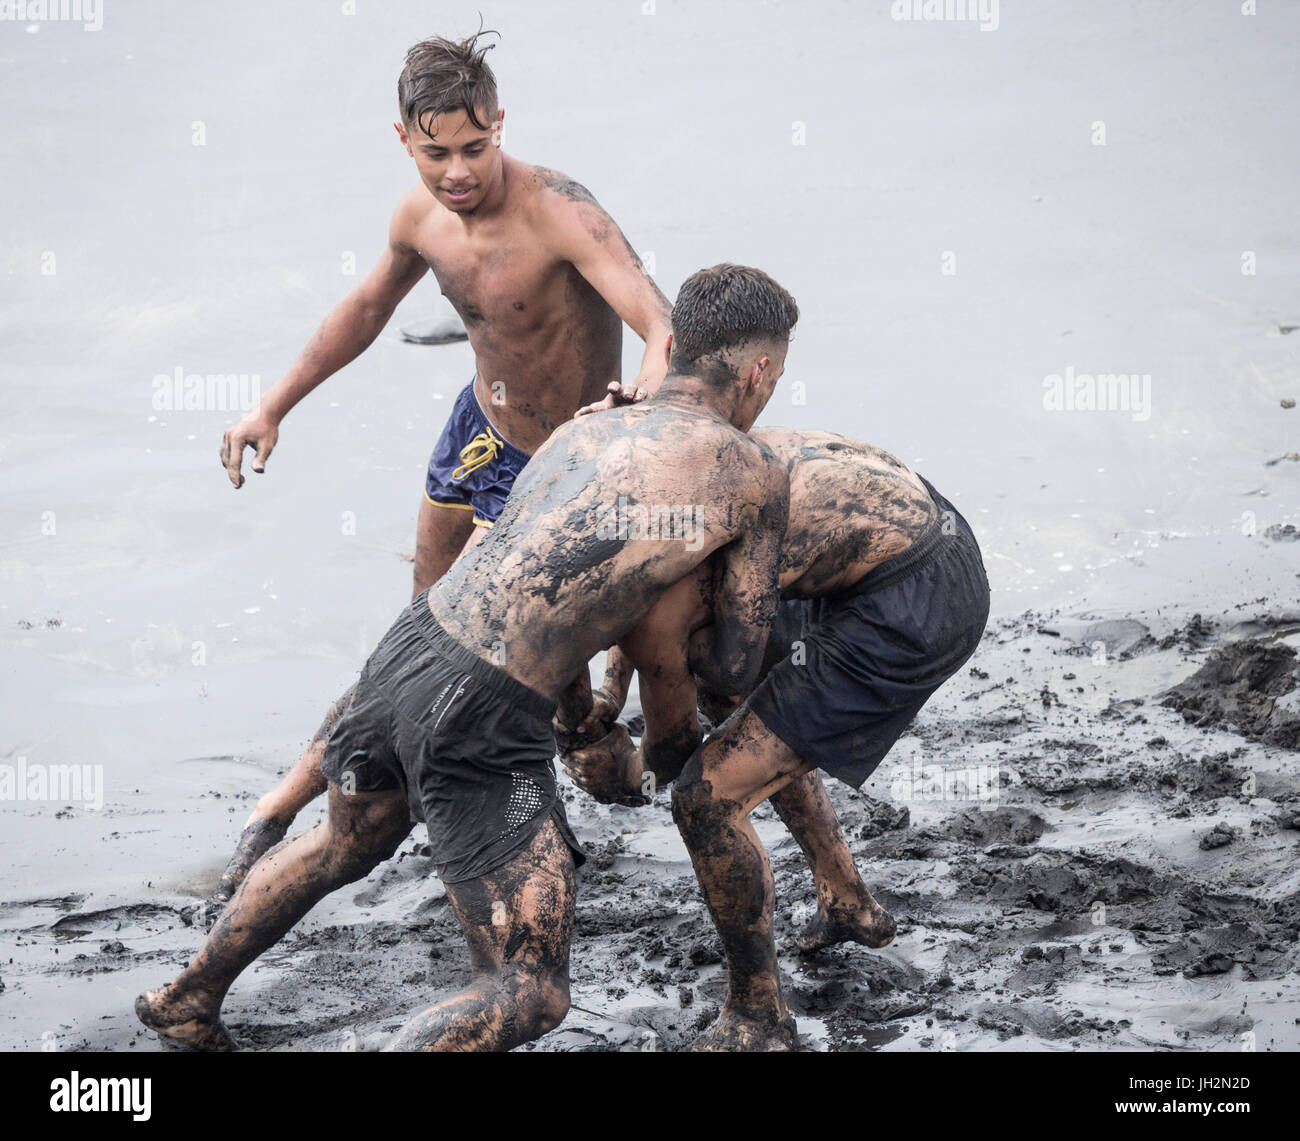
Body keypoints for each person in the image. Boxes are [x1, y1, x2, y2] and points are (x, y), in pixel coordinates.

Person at [137, 265, 797, 1051]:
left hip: (408, 649)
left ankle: (187, 994)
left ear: (678, 345)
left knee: (340, 843)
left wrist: (582, 703)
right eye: (775, 379)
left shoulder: (585, 424)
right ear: (759, 371)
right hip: (482, 709)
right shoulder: (752, 472)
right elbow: (731, 665)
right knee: (530, 991)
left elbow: (541, 574)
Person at [212, 30, 673, 892]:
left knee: (500, 659)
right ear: (403, 141)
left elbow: (660, 323)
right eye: (435, 154)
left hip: (562, 463)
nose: (456, 172)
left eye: (474, 147)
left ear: (500, 123)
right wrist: (271, 405)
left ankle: (538, 799)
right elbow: (364, 309)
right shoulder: (418, 217)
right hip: (476, 436)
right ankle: (278, 808)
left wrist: (639, 403)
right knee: (416, 635)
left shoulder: (561, 211)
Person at [558, 426, 990, 1050]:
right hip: (898, 535)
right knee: (734, 696)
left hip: (912, 595)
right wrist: (609, 697)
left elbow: (671, 753)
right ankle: (848, 899)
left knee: (705, 799)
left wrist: (622, 776)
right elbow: (640, 613)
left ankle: (760, 1019)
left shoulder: (668, 555)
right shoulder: (655, 464)